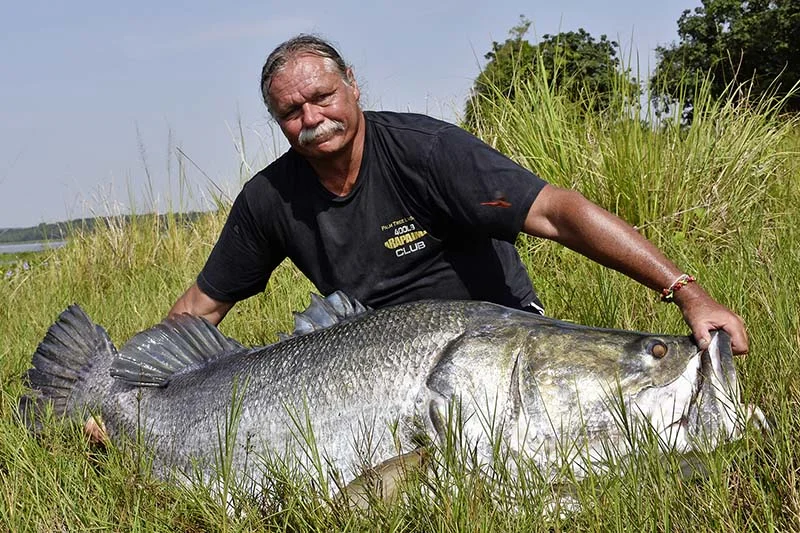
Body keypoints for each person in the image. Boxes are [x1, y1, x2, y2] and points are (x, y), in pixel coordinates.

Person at [169, 34, 748, 356]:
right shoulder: (269, 197)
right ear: (277, 121)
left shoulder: (427, 151)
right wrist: (132, 385)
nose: (312, 118)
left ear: (352, 85)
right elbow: (202, 307)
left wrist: (685, 292)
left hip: (496, 337)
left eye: (321, 96)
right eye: (291, 112)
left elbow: (556, 212)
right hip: (369, 361)